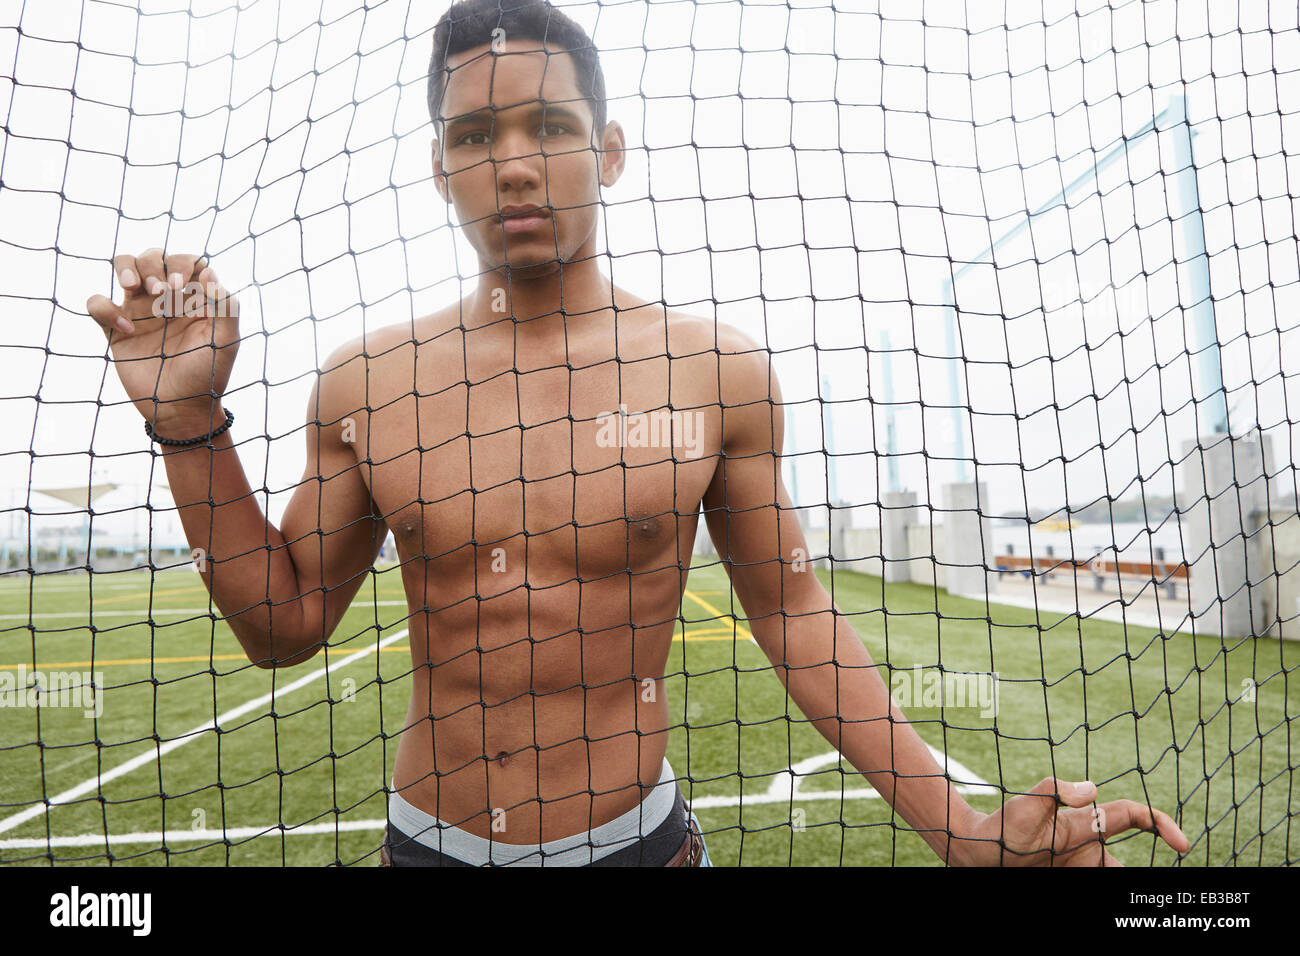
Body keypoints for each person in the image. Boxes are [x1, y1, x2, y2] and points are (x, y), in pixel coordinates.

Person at [84, 0, 1190, 867]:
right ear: (440, 168)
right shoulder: (366, 379)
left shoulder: (713, 371)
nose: (513, 161)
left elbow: (795, 612)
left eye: (548, 127)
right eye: (476, 134)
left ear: (606, 152)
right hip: (428, 850)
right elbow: (282, 624)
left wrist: (960, 831)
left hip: (639, 851)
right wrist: (190, 422)